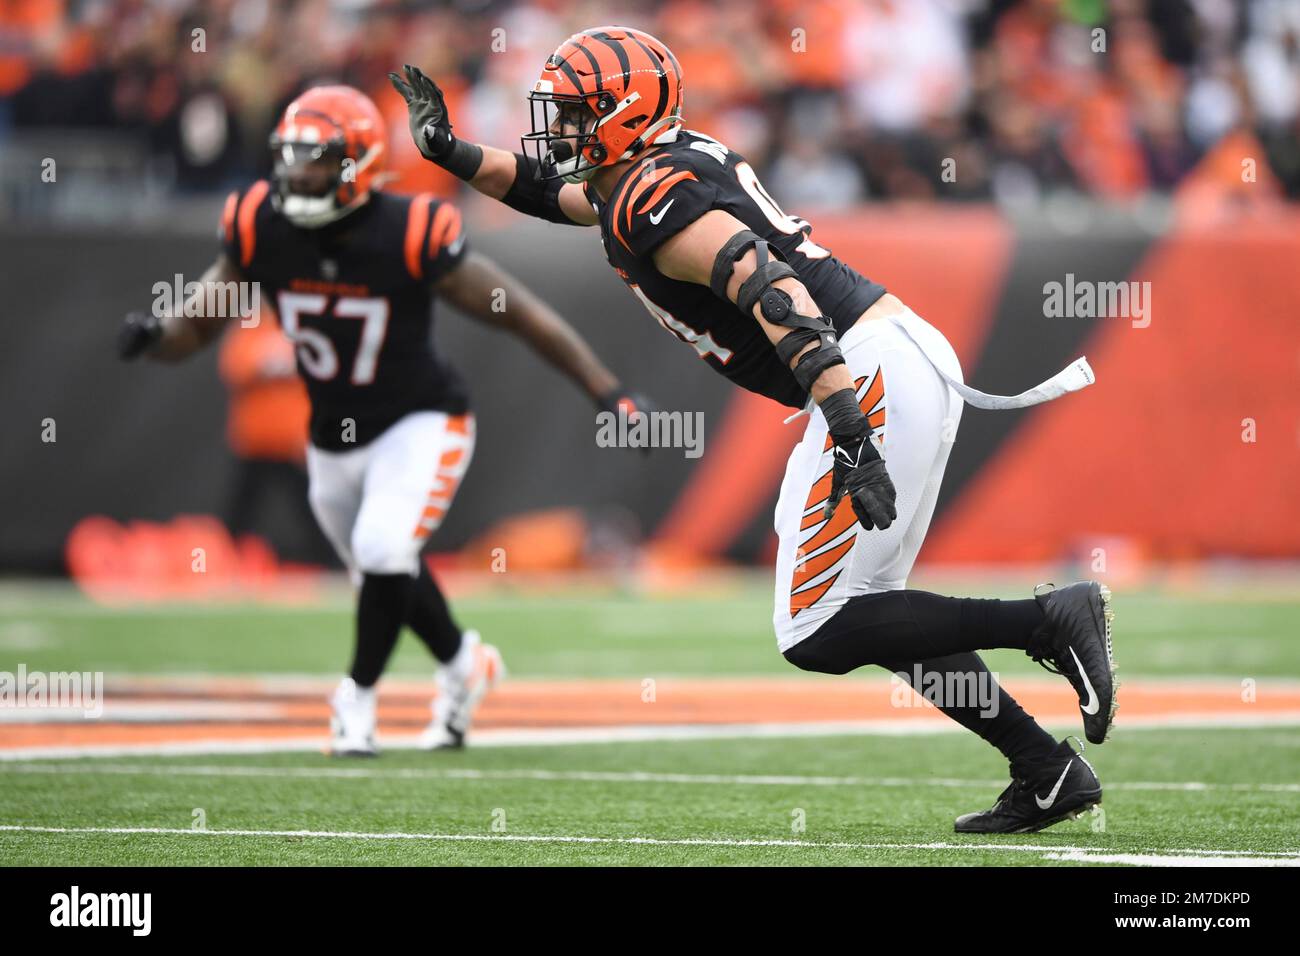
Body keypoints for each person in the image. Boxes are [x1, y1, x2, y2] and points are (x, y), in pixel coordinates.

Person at [390, 27, 1116, 832]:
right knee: (868, 609)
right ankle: (1045, 767)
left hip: (859, 369)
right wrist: (451, 152)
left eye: (571, 114)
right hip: (886, 358)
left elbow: (775, 295)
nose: (555, 131)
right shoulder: (641, 176)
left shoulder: (648, 199)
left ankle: (1047, 619)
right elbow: (553, 194)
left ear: (623, 115)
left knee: (818, 626)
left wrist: (849, 427)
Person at [119, 85, 644, 756]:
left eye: (316, 158)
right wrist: (153, 335)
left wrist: (608, 391)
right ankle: (464, 666)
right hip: (331, 438)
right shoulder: (262, 225)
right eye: (291, 156)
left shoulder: (407, 230)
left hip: (422, 421)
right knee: (386, 569)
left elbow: (519, 312)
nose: (297, 173)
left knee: (383, 550)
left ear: (355, 164)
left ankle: (356, 699)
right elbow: (194, 328)